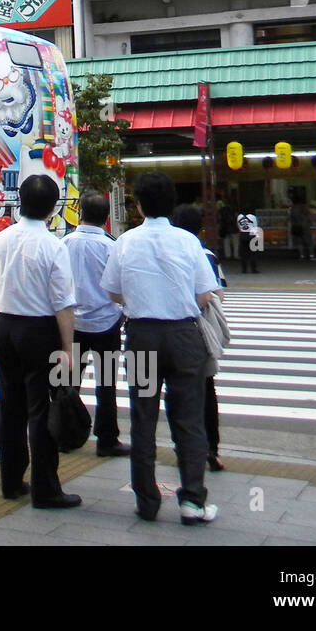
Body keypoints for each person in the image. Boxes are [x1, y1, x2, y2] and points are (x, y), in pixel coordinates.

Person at [102, 172, 220, 526]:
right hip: (184, 336)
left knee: (143, 417)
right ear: (171, 203)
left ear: (138, 205)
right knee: (188, 419)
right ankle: (193, 502)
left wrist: (137, 300)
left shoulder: (125, 242)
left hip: (141, 336)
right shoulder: (188, 242)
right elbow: (204, 295)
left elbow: (111, 290)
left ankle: (147, 501)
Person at [0, 174, 80, 507]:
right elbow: (63, 304)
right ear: (53, 209)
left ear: (20, 201)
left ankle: (10, 481)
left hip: (3, 327)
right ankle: (45, 489)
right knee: (40, 409)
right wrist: (68, 349)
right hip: (39, 332)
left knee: (9, 407)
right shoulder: (54, 246)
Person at [61, 191, 129, 457]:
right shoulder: (112, 247)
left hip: (73, 324)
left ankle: (65, 435)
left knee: (68, 382)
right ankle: (107, 438)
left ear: (81, 213)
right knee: (107, 383)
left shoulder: (64, 243)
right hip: (106, 322)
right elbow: (121, 286)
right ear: (106, 218)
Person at [171, 203, 227, 472]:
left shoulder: (170, 250)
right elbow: (216, 294)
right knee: (205, 389)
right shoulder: (206, 254)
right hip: (201, 330)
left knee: (176, 392)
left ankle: (181, 447)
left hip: (171, 329)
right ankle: (211, 450)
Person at [236, 205, 261, 274]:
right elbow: (256, 226)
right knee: (253, 253)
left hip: (242, 235)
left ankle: (244, 269)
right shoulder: (253, 217)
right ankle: (253, 269)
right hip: (251, 234)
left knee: (243, 253)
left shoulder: (239, 217)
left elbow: (238, 226)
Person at [290, 196, 316, 261]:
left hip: (296, 226)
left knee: (299, 242)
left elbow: (291, 218)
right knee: (309, 241)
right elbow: (307, 216)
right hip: (304, 226)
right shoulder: (303, 207)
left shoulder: (292, 208)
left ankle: (301, 256)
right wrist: (307, 222)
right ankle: (311, 256)